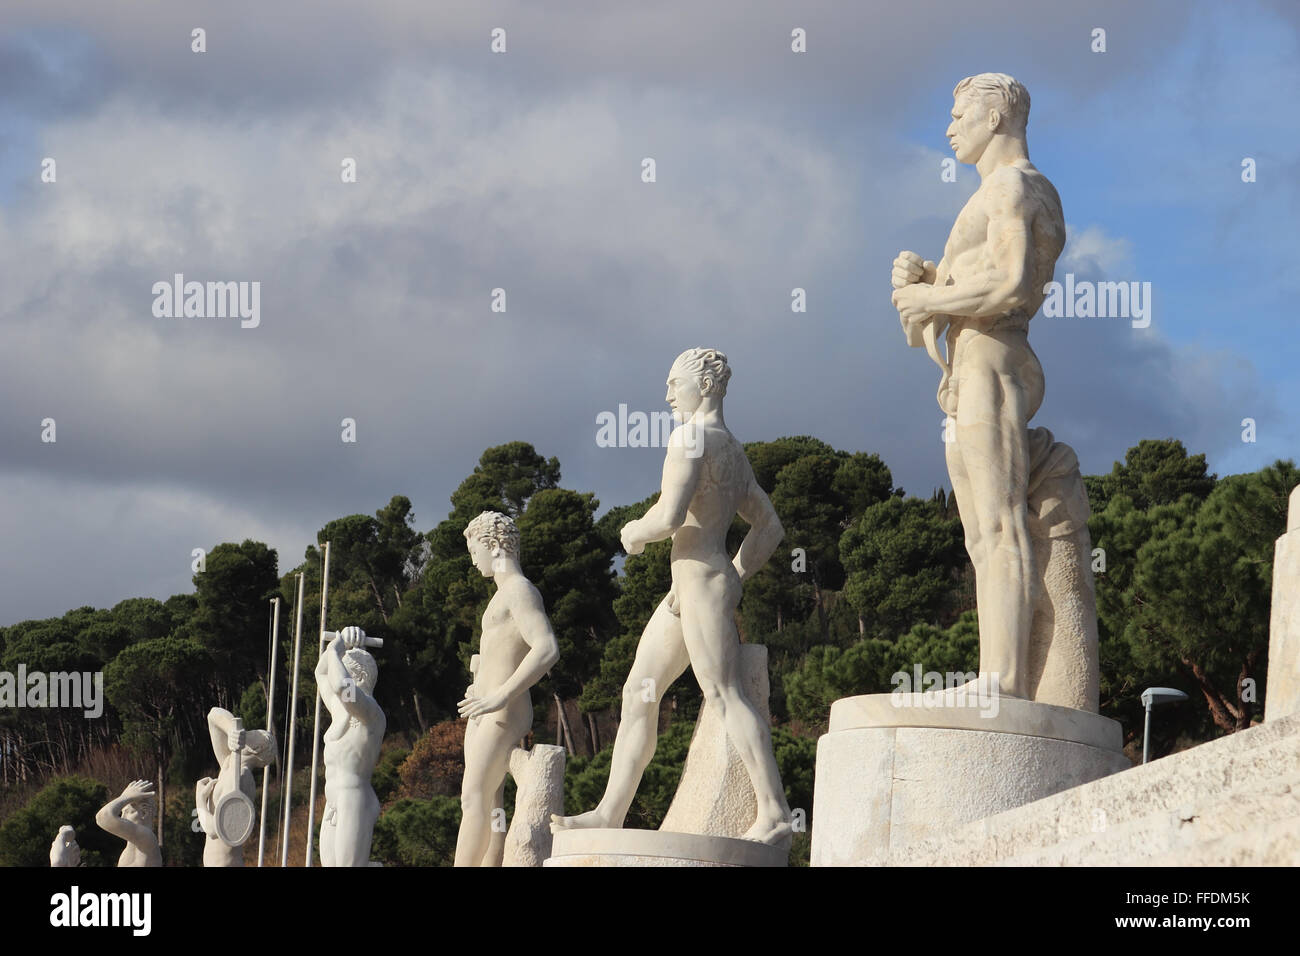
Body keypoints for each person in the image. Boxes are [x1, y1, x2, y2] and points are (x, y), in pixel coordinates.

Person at [552, 348, 791, 844]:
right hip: (694, 582)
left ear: (703, 386)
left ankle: (776, 813)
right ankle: (608, 813)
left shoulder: (689, 437)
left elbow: (669, 516)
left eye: (672, 384)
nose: (665, 396)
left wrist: (634, 531)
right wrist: (736, 575)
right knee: (639, 690)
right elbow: (769, 527)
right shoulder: (733, 449)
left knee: (725, 696)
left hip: (699, 580)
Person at [890, 73, 1065, 699]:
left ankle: (1004, 680)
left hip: (994, 355)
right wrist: (931, 281)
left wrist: (930, 295)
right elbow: (977, 279)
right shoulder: (998, 192)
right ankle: (996, 674)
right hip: (973, 361)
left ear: (994, 117)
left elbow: (1015, 284)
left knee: (997, 522)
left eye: (959, 113)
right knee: (978, 533)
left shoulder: (1016, 186)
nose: (948, 127)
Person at [455, 511, 560, 867]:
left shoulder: (519, 590)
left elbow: (547, 648)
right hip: (484, 707)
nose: (473, 561)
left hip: (501, 708)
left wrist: (500, 694)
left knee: (473, 798)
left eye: (474, 552)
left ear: (492, 545)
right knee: (491, 802)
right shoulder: (503, 595)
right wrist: (481, 683)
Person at [317, 627, 385, 866]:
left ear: (361, 678)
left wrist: (335, 649)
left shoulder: (372, 714)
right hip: (333, 803)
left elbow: (340, 686)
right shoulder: (339, 712)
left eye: (346, 670)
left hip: (354, 799)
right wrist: (341, 640)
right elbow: (322, 674)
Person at [195, 707, 275, 866]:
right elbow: (213, 715)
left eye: (253, 734)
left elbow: (213, 829)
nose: (247, 733)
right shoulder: (228, 764)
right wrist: (231, 729)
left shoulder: (240, 777)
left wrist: (199, 800)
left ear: (257, 748)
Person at [95, 779, 162, 867]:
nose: (123, 817)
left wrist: (125, 797)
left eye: (127, 812)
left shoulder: (148, 838)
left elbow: (103, 817)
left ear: (144, 812)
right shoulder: (130, 849)